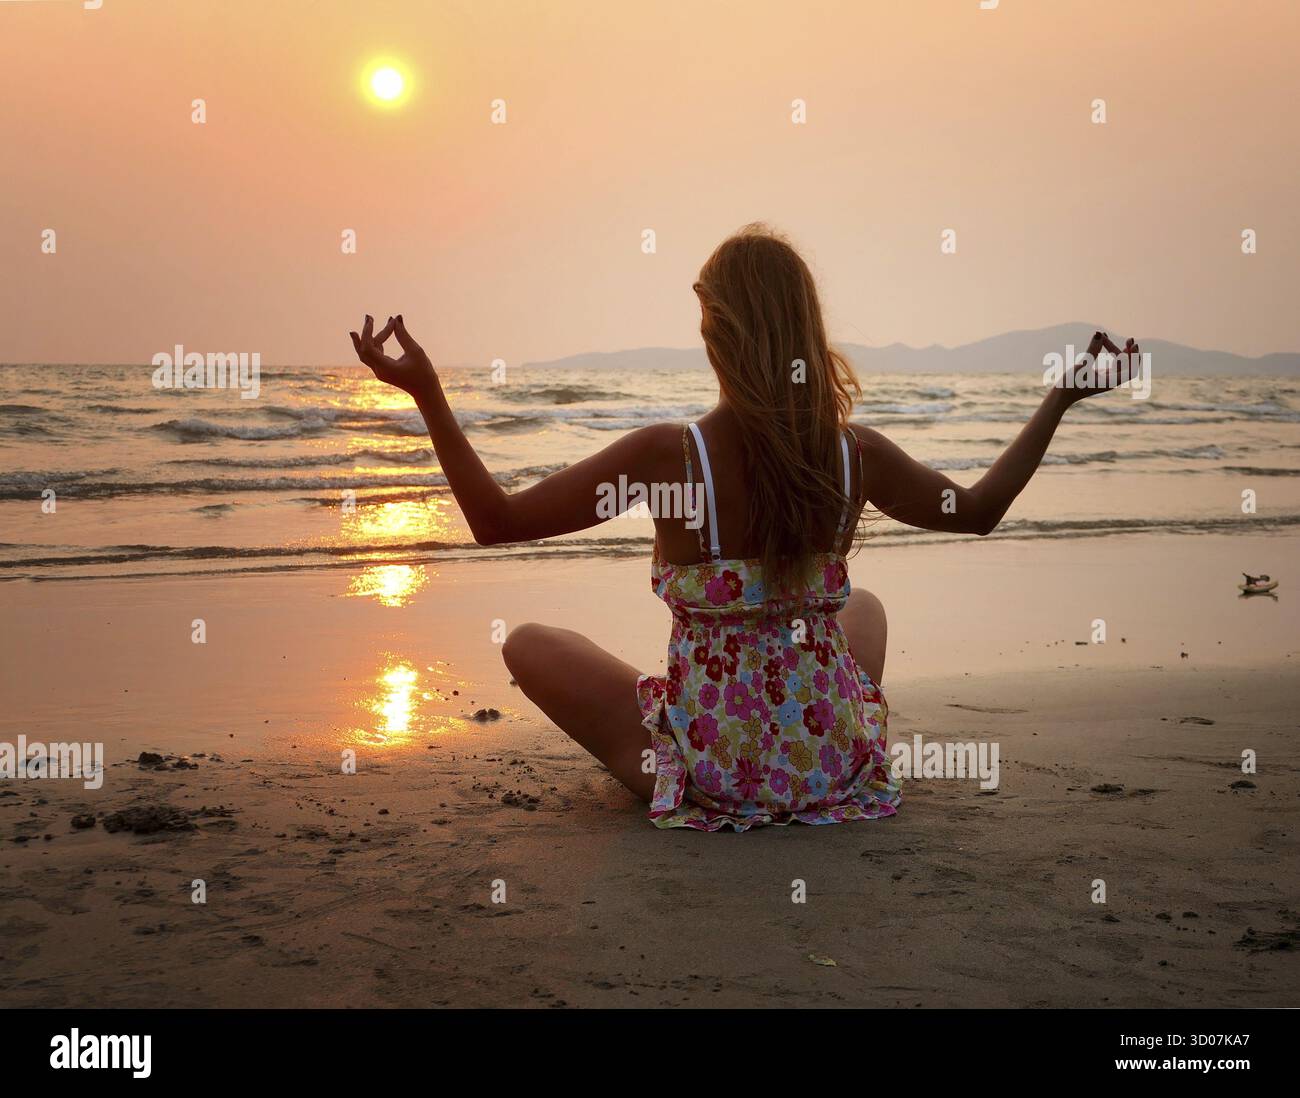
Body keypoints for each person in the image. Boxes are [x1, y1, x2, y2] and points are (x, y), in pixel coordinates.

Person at [349, 223, 1138, 831]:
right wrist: (1059, 399)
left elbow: (496, 521)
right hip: (832, 763)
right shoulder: (852, 455)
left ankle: (701, 751)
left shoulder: (671, 454)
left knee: (525, 640)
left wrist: (426, 394)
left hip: (715, 769)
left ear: (720, 331)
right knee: (860, 609)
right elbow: (978, 512)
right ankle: (804, 725)